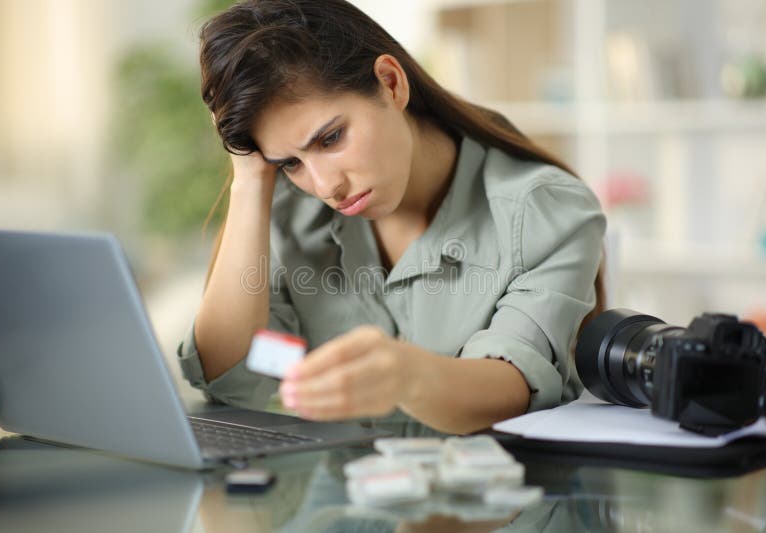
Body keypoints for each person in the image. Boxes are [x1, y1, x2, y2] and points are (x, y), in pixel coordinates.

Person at [177, 0, 606, 436]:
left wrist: (408, 375)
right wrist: (249, 180)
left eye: (330, 138)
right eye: (290, 162)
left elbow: (514, 384)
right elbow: (229, 380)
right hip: (343, 499)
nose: (327, 186)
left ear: (390, 83)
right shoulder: (288, 212)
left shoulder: (545, 211)